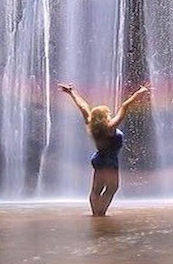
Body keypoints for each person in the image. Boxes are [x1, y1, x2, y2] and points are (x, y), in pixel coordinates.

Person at [57, 82, 150, 216]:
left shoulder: (91, 125)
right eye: (108, 114)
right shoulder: (110, 128)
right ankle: (101, 213)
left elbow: (83, 107)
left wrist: (72, 92)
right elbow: (125, 107)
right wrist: (138, 94)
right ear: (105, 117)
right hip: (110, 161)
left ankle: (96, 213)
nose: (111, 115)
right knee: (112, 188)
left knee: (96, 189)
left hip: (98, 159)